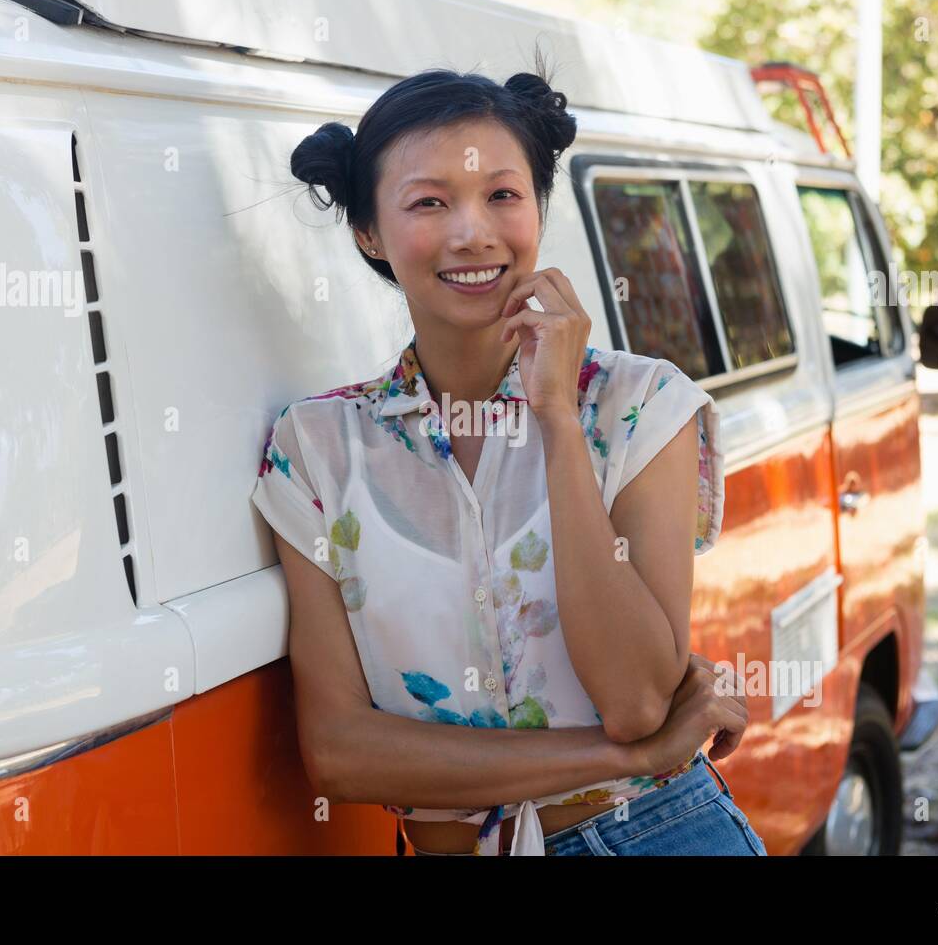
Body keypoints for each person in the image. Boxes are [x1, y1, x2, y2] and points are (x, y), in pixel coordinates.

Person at [252, 50, 766, 857]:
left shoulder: (640, 404)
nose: (473, 232)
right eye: (429, 202)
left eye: (502, 194)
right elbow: (341, 754)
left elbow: (634, 697)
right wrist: (626, 756)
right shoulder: (316, 447)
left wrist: (558, 418)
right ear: (369, 233)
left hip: (659, 836)